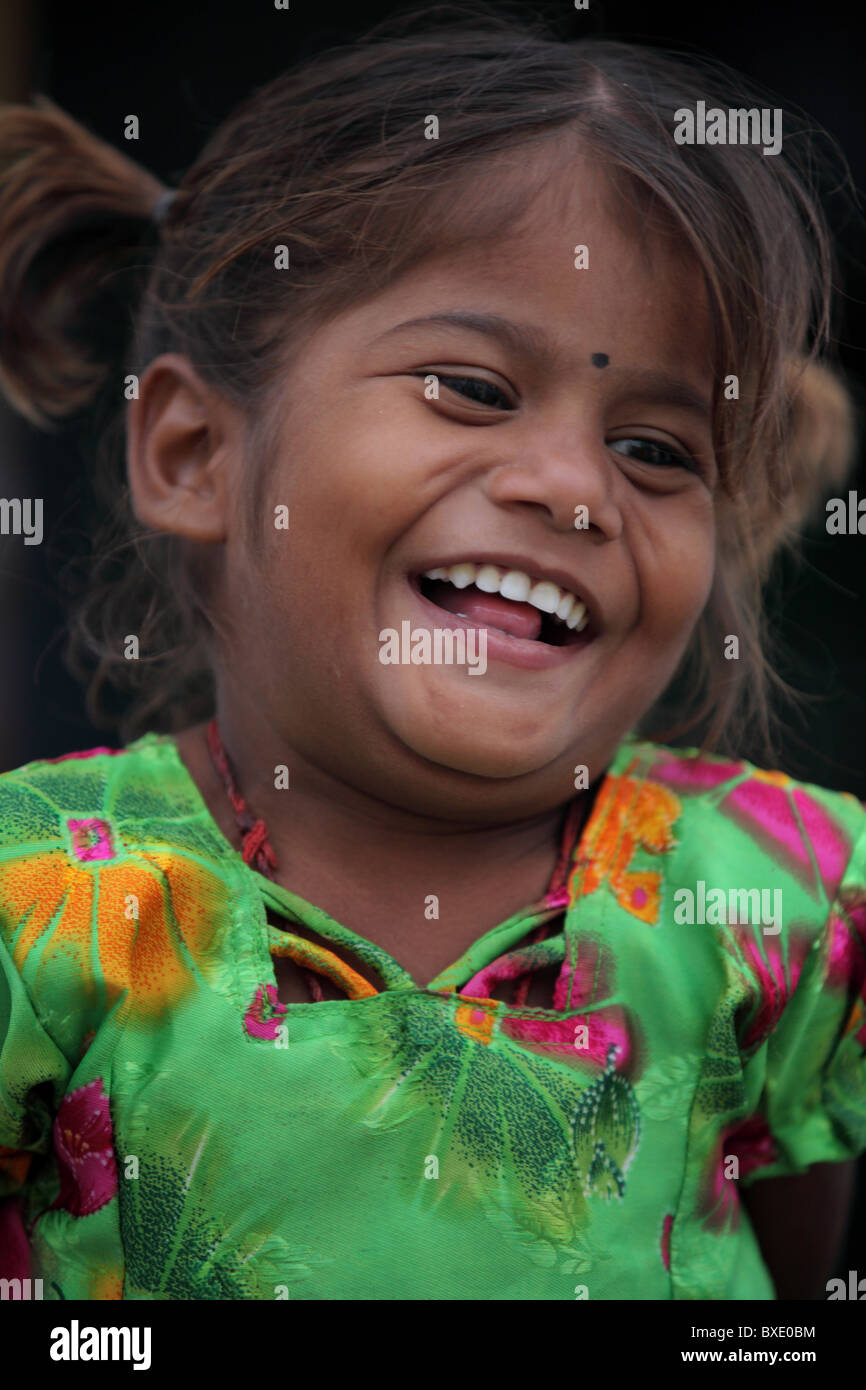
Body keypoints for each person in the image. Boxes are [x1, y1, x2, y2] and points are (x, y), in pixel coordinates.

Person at [0, 7, 863, 1301]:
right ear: (195, 455)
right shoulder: (32, 917)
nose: (575, 487)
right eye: (470, 386)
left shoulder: (786, 905)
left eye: (655, 450)